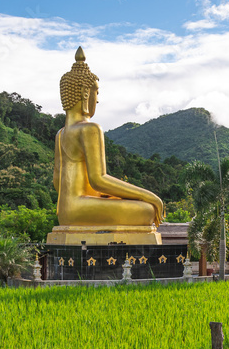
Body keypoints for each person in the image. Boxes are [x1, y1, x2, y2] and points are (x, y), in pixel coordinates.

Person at [53, 47, 164, 227]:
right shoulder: (89, 129)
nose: (97, 100)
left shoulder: (61, 134)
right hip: (81, 209)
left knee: (134, 204)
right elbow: (99, 180)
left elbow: (58, 182)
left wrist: (104, 196)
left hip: (66, 212)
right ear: (85, 93)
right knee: (148, 209)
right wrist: (147, 195)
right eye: (97, 92)